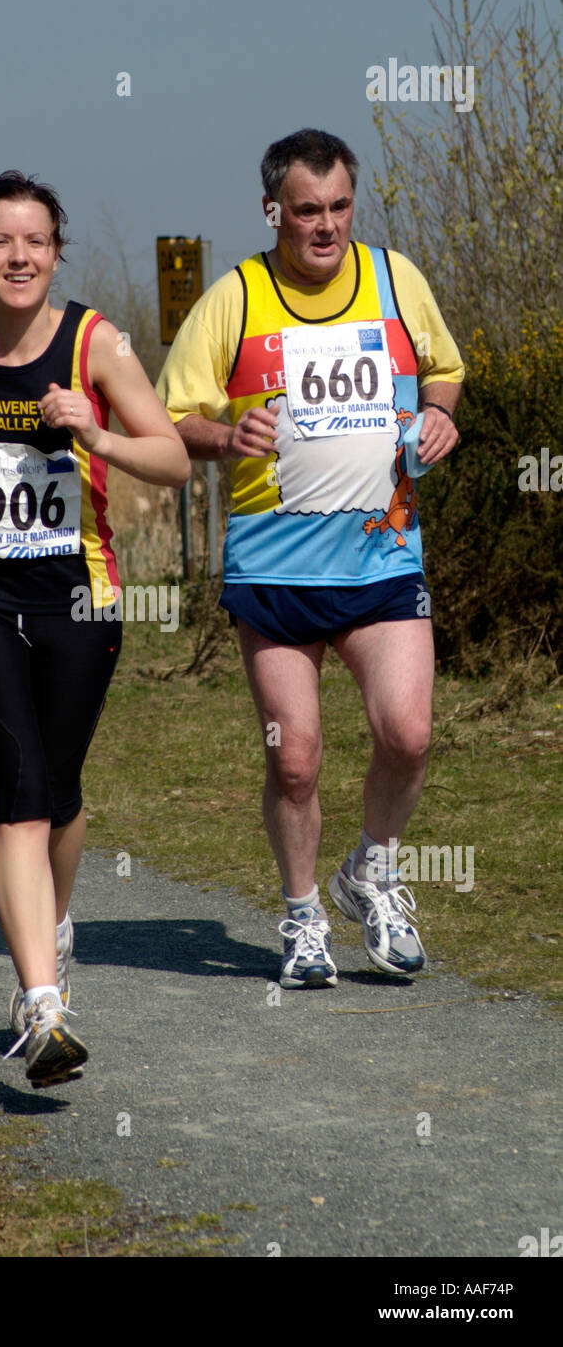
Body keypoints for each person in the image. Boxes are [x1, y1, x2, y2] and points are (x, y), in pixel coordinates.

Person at [156, 129, 464, 988]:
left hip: (380, 559)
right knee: (293, 758)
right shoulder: (235, 297)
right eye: (305, 212)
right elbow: (168, 415)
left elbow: (444, 368)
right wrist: (225, 433)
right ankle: (300, 919)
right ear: (272, 211)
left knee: (407, 734)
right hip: (274, 572)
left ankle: (372, 869)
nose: (324, 227)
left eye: (337, 208)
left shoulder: (396, 280)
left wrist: (439, 414)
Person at [0, 170, 189, 1087]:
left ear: (56, 251)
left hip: (82, 598)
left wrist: (98, 438)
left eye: (35, 242)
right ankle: (41, 1006)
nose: (18, 256)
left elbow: (175, 458)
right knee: (19, 788)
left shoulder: (93, 344)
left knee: (59, 790)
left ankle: (51, 928)